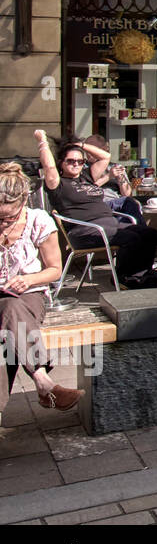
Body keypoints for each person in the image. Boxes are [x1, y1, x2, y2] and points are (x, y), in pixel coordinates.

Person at [0, 162, 84, 414]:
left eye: (9, 217)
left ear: (24, 201)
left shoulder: (38, 221)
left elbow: (55, 270)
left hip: (28, 296)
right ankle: (43, 381)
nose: (4, 224)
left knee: (11, 312)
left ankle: (40, 382)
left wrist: (28, 279)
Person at [36, 130, 157, 282]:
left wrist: (79, 145)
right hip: (84, 231)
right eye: (71, 161)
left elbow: (105, 156)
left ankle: (142, 275)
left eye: (80, 161)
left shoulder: (86, 176)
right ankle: (124, 278)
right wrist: (42, 141)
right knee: (131, 238)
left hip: (109, 224)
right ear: (61, 163)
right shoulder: (58, 184)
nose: (76, 164)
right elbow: (49, 168)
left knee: (148, 233)